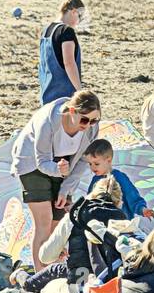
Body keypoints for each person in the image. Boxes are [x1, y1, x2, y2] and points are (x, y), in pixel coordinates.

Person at [10, 90, 102, 271]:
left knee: (57, 225)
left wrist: (65, 189)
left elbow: (83, 161)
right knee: (44, 220)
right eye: (85, 120)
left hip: (63, 166)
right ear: (72, 111)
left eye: (94, 120)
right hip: (32, 165)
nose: (89, 125)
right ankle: (40, 275)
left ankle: (52, 271)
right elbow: (42, 161)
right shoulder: (48, 121)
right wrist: (57, 170)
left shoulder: (91, 129)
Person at [85, 139, 153, 221]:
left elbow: (132, 197)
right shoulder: (95, 179)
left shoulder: (120, 177)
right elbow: (90, 199)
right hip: (101, 223)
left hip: (121, 222)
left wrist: (142, 209)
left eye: (96, 164)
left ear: (109, 160)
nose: (93, 167)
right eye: (90, 164)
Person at [37, 0, 85, 104]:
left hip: (46, 94)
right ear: (73, 12)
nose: (78, 22)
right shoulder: (66, 31)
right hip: (64, 97)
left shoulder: (46, 30)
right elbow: (69, 63)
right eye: (79, 17)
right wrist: (79, 91)